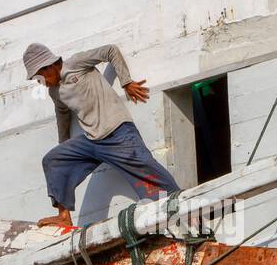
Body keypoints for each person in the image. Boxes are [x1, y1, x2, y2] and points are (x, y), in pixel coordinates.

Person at [23, 42, 179, 228]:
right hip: (92, 141)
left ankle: (180, 205)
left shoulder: (76, 63)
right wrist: (63, 144)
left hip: (118, 133)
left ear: (49, 66)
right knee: (53, 160)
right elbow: (62, 113)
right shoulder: (54, 91)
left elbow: (110, 51)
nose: (42, 82)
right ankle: (63, 216)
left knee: (147, 170)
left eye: (40, 76)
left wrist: (126, 82)